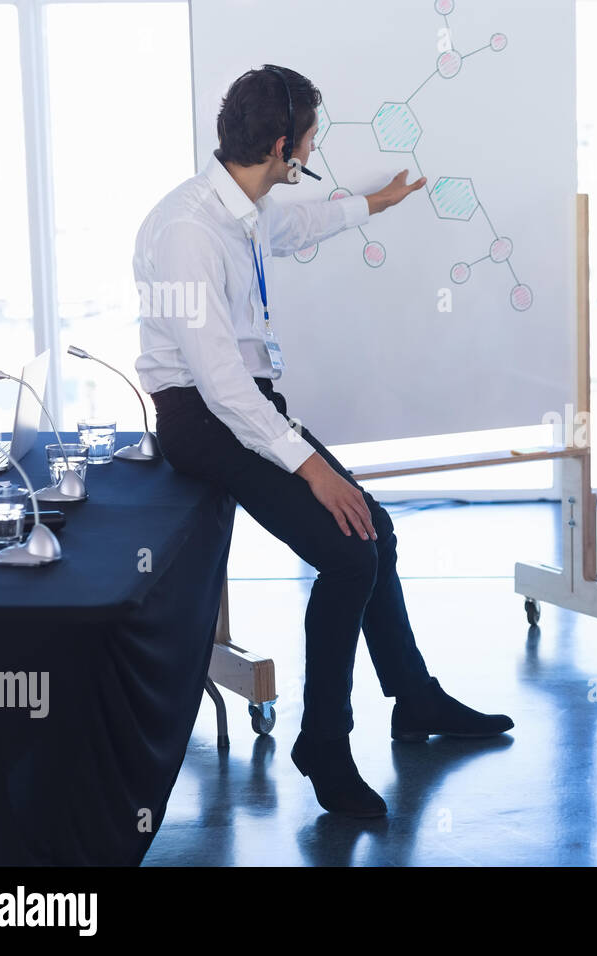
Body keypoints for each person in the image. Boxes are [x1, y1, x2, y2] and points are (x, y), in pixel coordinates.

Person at [134, 66, 513, 819]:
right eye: (310, 139)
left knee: (375, 530)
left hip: (242, 406)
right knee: (348, 551)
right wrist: (310, 466)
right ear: (282, 145)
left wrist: (375, 202)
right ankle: (325, 744)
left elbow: (298, 224)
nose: (313, 150)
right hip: (204, 418)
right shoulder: (188, 232)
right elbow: (218, 384)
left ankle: (415, 700)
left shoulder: (241, 206)